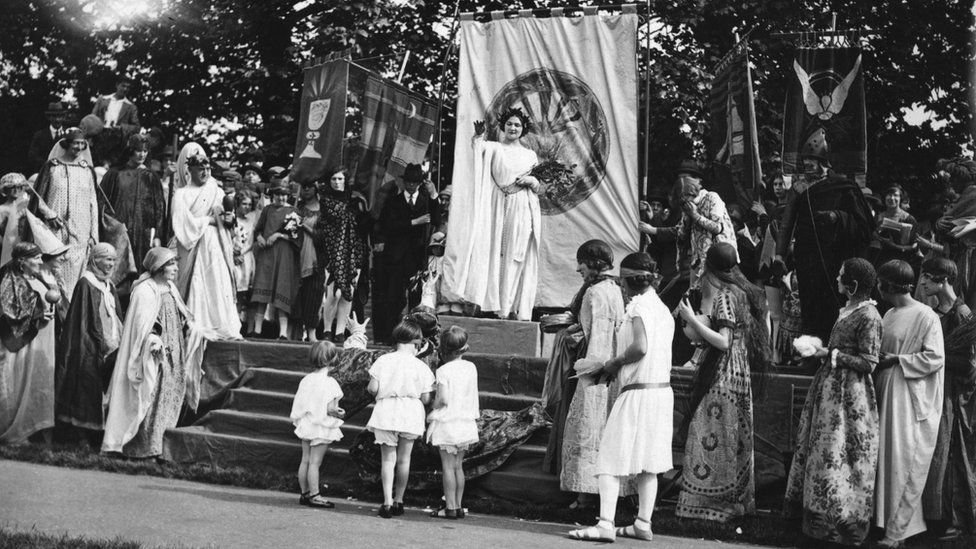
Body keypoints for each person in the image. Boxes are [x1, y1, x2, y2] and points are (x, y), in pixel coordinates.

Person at [567, 252, 674, 542]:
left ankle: (604, 524)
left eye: (622, 282)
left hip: (638, 392)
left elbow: (640, 348)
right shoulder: (662, 308)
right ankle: (643, 522)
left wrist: (614, 364)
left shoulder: (639, 307)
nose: (621, 288)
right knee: (648, 462)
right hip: (661, 392)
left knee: (609, 457)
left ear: (630, 282)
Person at [783, 258, 882, 545]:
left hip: (850, 395)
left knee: (842, 453)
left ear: (851, 285)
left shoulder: (869, 317)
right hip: (830, 389)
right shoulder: (849, 311)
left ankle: (840, 526)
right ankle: (816, 522)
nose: (837, 279)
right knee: (821, 450)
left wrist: (830, 354)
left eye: (841, 277)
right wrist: (825, 352)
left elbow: (869, 362)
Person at [675, 242, 770, 522]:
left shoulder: (726, 295)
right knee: (734, 436)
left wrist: (691, 318)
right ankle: (735, 501)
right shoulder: (746, 291)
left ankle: (712, 504)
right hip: (741, 370)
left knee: (709, 432)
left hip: (724, 370)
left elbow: (724, 341)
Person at [102, 247, 206, 457]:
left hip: (173, 352)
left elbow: (181, 315)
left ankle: (160, 447)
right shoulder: (145, 290)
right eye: (172, 264)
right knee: (150, 396)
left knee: (167, 399)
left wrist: (192, 328)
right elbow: (143, 325)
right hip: (155, 354)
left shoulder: (169, 288)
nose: (176, 269)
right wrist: (152, 340)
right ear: (158, 267)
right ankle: (142, 447)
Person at [443, 108, 542, 321]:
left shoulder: (529, 155)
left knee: (516, 253)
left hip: (521, 206)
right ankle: (489, 304)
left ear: (523, 129)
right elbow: (478, 150)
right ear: (503, 126)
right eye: (509, 124)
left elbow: (538, 187)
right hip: (496, 205)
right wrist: (478, 136)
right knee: (493, 251)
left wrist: (532, 181)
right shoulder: (494, 148)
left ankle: (509, 307)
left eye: (517, 125)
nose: (513, 128)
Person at [772, 140, 875, 341]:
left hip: (836, 256)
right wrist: (779, 255)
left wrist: (837, 216)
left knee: (835, 301)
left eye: (812, 160)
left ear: (823, 162)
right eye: (805, 161)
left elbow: (863, 223)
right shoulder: (799, 188)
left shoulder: (844, 187)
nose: (807, 165)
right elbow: (786, 224)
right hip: (807, 258)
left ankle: (837, 346)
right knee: (810, 304)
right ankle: (811, 351)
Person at [874, 259, 945, 548]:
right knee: (883, 457)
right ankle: (880, 521)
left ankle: (898, 531)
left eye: (881, 282)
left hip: (907, 394)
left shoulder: (927, 316)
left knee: (901, 459)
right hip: (884, 387)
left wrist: (898, 360)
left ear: (889, 285)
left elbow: (935, 358)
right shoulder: (888, 313)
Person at [557, 240, 626, 506]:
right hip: (614, 368)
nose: (578, 269)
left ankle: (585, 495)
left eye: (581, 263)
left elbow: (595, 334)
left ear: (593, 264)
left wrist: (586, 363)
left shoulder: (595, 292)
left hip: (595, 369)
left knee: (589, 427)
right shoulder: (617, 290)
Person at [918, 258, 976, 537]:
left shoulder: (961, 313)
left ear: (942, 280)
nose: (923, 284)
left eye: (928, 278)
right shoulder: (934, 312)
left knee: (950, 451)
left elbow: (971, 365)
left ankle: (952, 518)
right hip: (936, 388)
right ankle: (932, 514)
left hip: (954, 393)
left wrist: (937, 359)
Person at [170, 143, 241, 340]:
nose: (205, 172)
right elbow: (183, 224)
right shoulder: (181, 194)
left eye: (208, 169)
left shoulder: (216, 190)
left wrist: (229, 219)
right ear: (189, 170)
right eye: (200, 169)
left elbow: (227, 216)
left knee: (217, 281)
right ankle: (197, 323)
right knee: (196, 282)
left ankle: (221, 324)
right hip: (194, 245)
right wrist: (209, 220)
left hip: (215, 244)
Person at [365, 320, 435, 518]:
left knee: (388, 459)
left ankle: (386, 502)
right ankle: (399, 500)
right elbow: (426, 397)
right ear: (415, 343)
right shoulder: (421, 367)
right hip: (410, 411)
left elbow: (372, 388)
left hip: (387, 409)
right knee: (404, 460)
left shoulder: (383, 361)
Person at [54, 243, 122, 446]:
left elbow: (116, 314)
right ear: (94, 259)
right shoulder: (86, 283)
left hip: (111, 343)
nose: (110, 264)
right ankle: (81, 432)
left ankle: (99, 432)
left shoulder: (109, 285)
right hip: (90, 345)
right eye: (106, 259)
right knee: (87, 385)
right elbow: (82, 320)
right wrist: (94, 344)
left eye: (113, 260)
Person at [640, 160, 738, 291]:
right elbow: (680, 232)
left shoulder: (712, 197)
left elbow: (718, 228)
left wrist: (695, 215)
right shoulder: (686, 206)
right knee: (697, 296)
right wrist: (655, 224)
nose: (685, 202)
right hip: (698, 260)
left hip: (721, 258)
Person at [32, 127, 104, 299]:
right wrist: (49, 214)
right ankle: (54, 312)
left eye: (82, 144)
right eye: (75, 143)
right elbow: (38, 198)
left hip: (81, 228)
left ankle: (72, 313)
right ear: (66, 144)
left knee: (76, 270)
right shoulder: (52, 167)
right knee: (55, 267)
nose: (79, 147)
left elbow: (93, 203)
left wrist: (94, 234)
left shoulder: (87, 170)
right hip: (55, 227)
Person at [374, 164, 440, 343]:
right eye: (408, 182)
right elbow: (388, 225)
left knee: (416, 299)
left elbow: (436, 218)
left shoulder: (426, 200)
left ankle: (416, 337)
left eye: (415, 183)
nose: (411, 186)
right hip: (395, 257)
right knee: (393, 298)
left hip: (416, 258)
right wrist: (413, 222)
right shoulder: (393, 201)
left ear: (420, 183)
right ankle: (390, 336)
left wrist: (434, 195)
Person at [0, 243, 59, 444]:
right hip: (18, 346)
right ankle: (12, 429)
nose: (40, 262)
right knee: (14, 382)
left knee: (33, 383)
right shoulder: (9, 279)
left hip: (38, 346)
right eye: (35, 258)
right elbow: (9, 311)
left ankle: (30, 427)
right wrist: (39, 315)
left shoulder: (38, 278)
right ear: (21, 261)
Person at [427, 326, 479, 519]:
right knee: (459, 466)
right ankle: (457, 505)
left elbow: (443, 399)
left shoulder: (443, 370)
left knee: (447, 467)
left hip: (449, 421)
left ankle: (449, 506)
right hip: (466, 421)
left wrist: (432, 408)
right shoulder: (471, 367)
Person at [99, 134, 167, 280]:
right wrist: (112, 226)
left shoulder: (151, 177)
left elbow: (159, 209)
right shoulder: (114, 174)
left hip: (144, 233)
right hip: (120, 232)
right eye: (138, 150)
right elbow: (102, 203)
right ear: (130, 151)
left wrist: (158, 235)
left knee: (142, 270)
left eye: (145, 150)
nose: (142, 154)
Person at [313, 168, 369, 343]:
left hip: (353, 252)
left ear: (345, 180)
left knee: (348, 294)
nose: (337, 182)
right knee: (333, 294)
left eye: (340, 179)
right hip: (332, 252)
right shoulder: (326, 199)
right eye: (334, 179)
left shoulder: (355, 199)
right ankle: (328, 329)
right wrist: (351, 205)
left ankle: (339, 331)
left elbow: (364, 223)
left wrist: (361, 208)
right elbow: (333, 218)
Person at [290, 340, 345, 509]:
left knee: (305, 460)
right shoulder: (331, 383)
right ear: (332, 360)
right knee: (315, 462)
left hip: (307, 423)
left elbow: (300, 402)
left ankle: (304, 492)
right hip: (321, 426)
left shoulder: (306, 380)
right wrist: (340, 413)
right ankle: (315, 494)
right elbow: (331, 409)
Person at [249, 180, 300, 339]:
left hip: (284, 255)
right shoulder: (267, 210)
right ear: (273, 195)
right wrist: (259, 238)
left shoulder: (293, 212)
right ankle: (257, 330)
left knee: (281, 289)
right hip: (267, 255)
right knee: (262, 289)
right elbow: (258, 230)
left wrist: (278, 235)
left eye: (284, 195)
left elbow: (296, 237)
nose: (281, 198)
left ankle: (283, 332)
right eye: (278, 195)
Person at [873, 184, 919, 268]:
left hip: (901, 262)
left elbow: (914, 246)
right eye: (889, 195)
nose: (892, 198)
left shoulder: (909, 219)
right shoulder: (878, 217)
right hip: (880, 259)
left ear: (900, 199)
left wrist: (894, 245)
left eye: (895, 195)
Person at [231, 191, 257, 325]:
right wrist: (232, 252)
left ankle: (238, 322)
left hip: (245, 257)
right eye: (244, 204)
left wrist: (241, 252)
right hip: (231, 256)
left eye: (249, 204)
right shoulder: (232, 218)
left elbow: (251, 242)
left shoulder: (251, 221)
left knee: (242, 291)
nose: (247, 207)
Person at [28, 101, 67, 173]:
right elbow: (32, 157)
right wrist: (48, 164)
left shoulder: (68, 134)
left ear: (63, 117)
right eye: (54, 116)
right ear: (49, 117)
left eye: (60, 116)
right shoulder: (39, 135)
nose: (57, 120)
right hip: (44, 173)